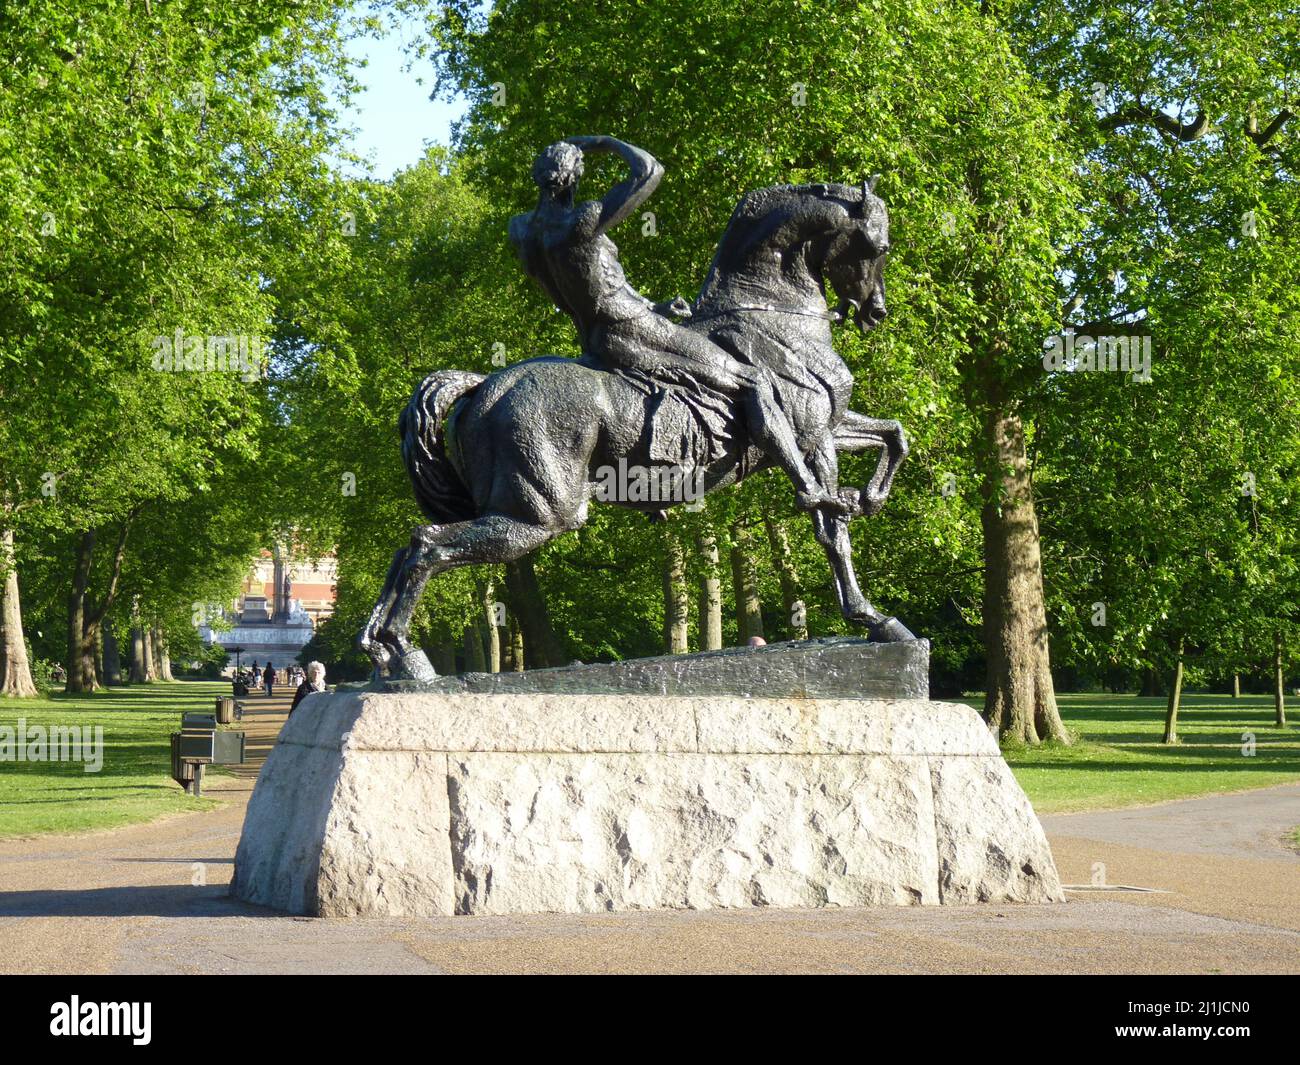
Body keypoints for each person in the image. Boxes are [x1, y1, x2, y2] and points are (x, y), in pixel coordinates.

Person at [508, 135, 842, 513]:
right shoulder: (582, 220)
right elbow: (649, 170)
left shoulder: (522, 231)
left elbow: (587, 287)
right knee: (754, 381)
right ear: (575, 174)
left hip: (595, 338)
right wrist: (599, 141)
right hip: (637, 331)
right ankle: (806, 485)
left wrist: (655, 305)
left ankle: (653, 481)